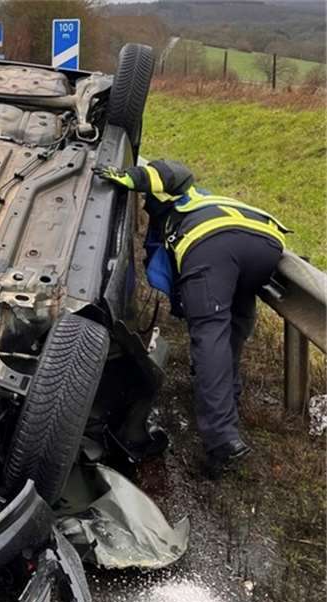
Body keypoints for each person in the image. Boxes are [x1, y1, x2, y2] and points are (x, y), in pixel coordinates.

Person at [95, 160, 288, 478]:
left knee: (209, 334)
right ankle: (227, 398)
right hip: (266, 244)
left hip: (210, 245)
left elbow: (172, 171)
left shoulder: (178, 199)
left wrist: (132, 176)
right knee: (232, 328)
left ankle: (222, 441)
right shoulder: (210, 200)